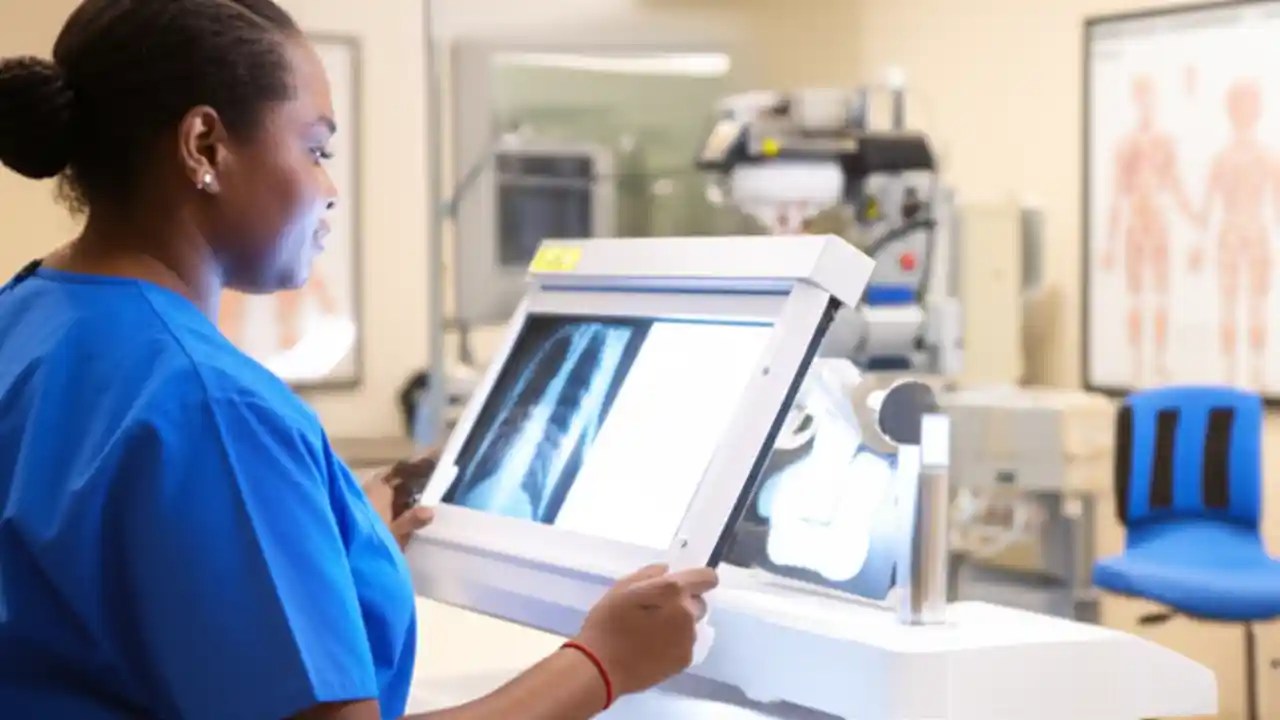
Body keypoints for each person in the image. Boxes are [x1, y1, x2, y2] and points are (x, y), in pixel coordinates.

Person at [0, 2, 716, 720]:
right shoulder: (210, 405)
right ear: (204, 147)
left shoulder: (27, 314)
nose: (329, 191)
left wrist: (334, 541)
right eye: (316, 151)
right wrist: (602, 663)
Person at [1101, 74, 1199, 385]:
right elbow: (1117, 194)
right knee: (1135, 297)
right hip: (1135, 224)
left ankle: (1159, 359)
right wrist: (1109, 243)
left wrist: (1197, 219)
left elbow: (1176, 184)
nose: (1146, 102)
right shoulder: (1126, 146)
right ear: (1135, 100)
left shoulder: (1165, 143)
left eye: (1150, 96)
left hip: (1158, 222)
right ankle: (1135, 363)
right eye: (1140, 96)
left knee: (1160, 295)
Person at [1192, 79, 1280, 389]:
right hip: (1229, 234)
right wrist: (1198, 243)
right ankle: (1229, 375)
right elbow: (1207, 206)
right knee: (1228, 305)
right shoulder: (1221, 159)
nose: (1245, 110)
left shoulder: (1268, 157)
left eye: (1250, 104)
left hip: (1256, 233)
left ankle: (1257, 372)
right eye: (1239, 104)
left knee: (1257, 305)